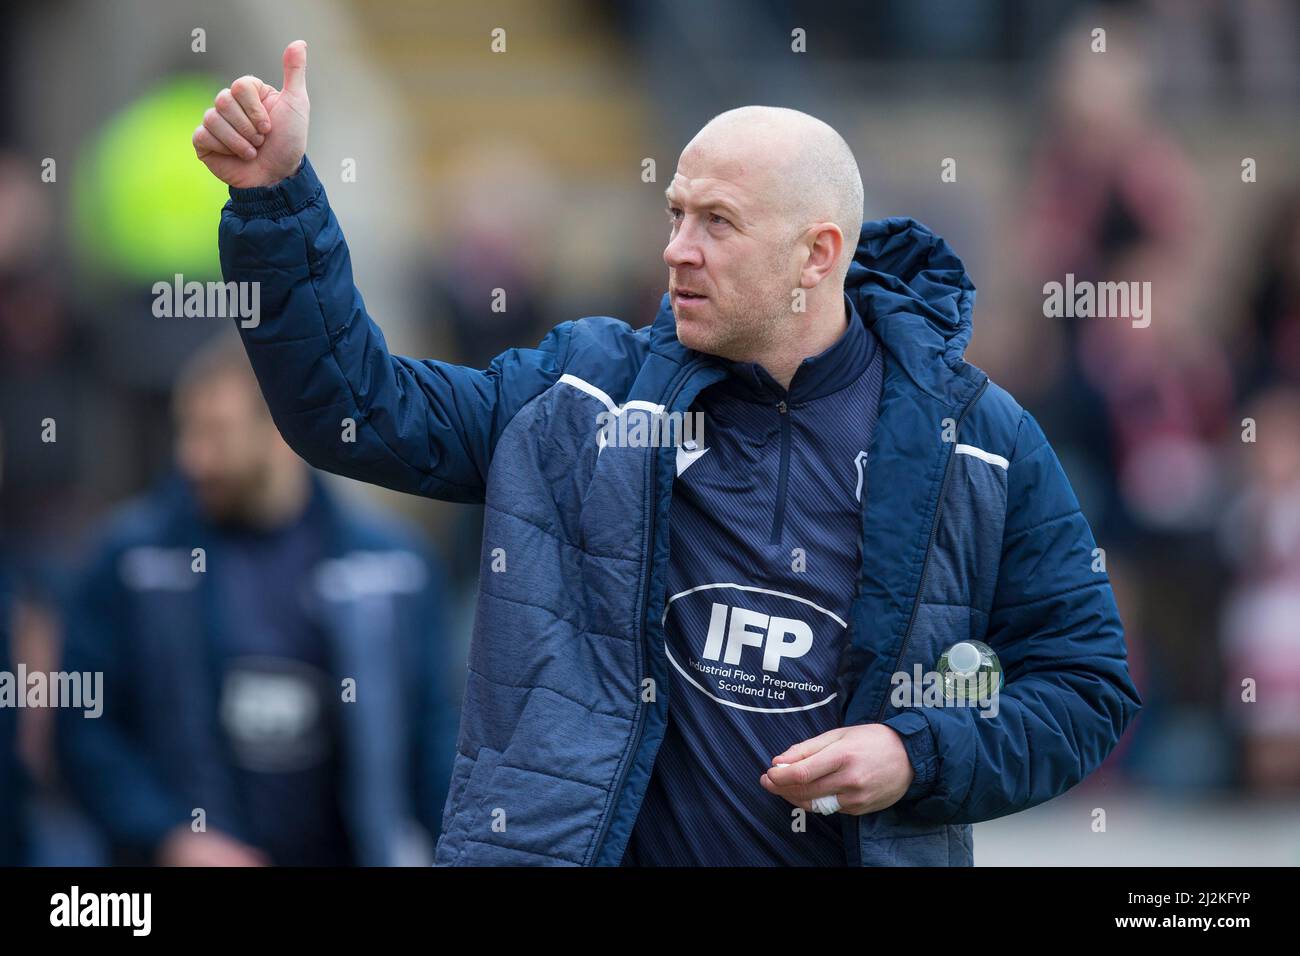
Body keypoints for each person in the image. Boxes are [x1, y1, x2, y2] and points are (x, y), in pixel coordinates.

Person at [194, 41, 1141, 866]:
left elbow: (1087, 685)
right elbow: (357, 410)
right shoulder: (585, 392)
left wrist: (915, 756)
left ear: (818, 254)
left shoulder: (977, 440)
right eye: (675, 214)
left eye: (717, 223)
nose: (678, 250)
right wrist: (278, 205)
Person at [57, 335, 460, 866]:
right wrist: (170, 839)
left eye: (215, 435)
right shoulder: (133, 562)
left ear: (280, 433)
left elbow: (437, 752)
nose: (191, 458)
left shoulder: (392, 569)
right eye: (187, 431)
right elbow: (85, 730)